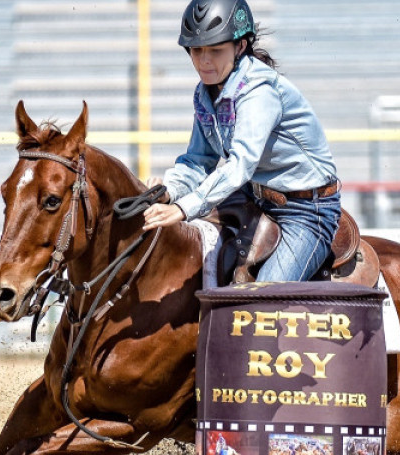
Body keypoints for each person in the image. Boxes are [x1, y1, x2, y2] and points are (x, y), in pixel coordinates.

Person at [142, 0, 341, 282]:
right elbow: (199, 161)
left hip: (306, 211)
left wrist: (182, 208)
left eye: (215, 50)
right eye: (197, 50)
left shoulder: (260, 92)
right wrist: (169, 191)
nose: (204, 60)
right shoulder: (205, 93)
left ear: (240, 47)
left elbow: (239, 166)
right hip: (252, 196)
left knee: (264, 301)